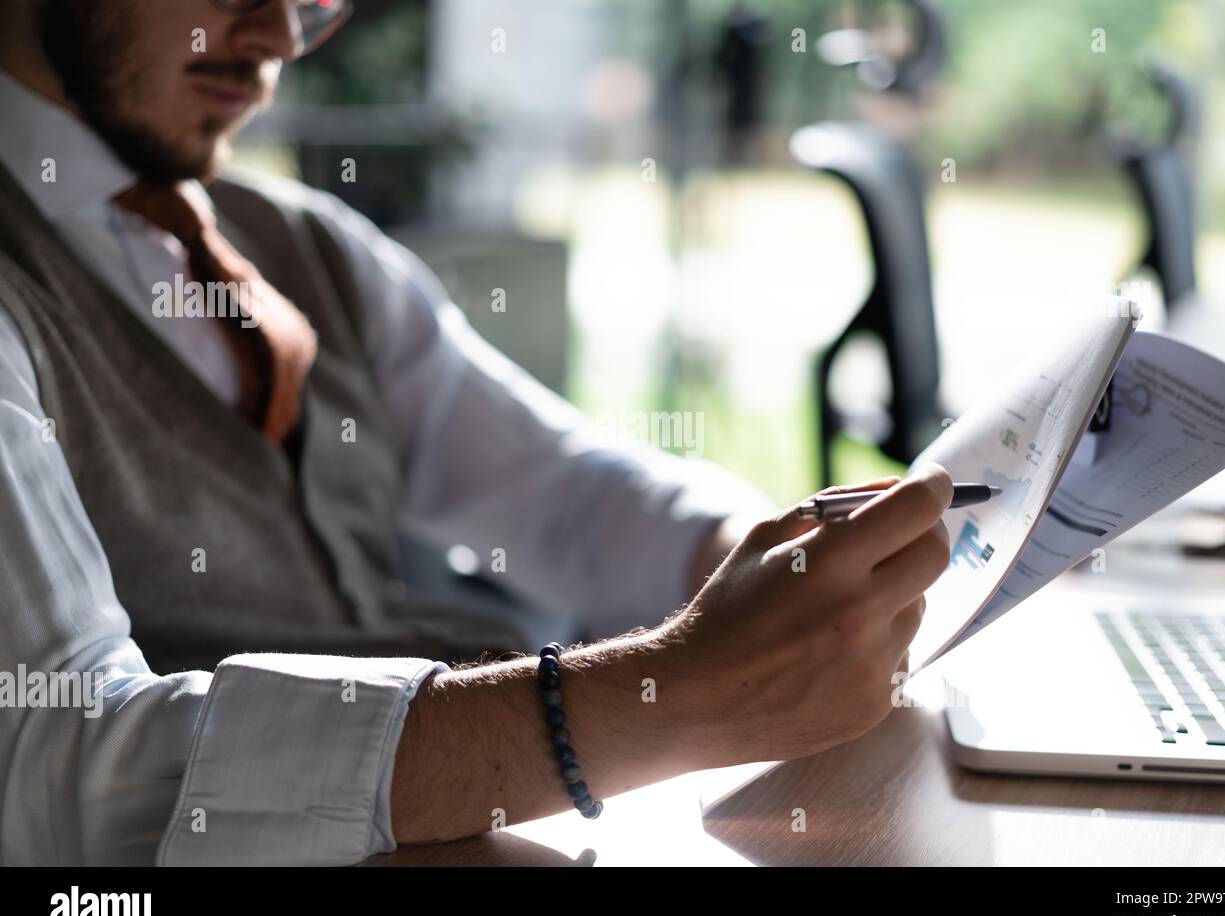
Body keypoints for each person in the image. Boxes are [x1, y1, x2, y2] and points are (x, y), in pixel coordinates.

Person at [0, 0, 953, 865]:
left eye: (315, 1)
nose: (278, 36)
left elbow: (568, 494)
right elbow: (63, 762)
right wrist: (667, 697)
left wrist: (805, 574)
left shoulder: (307, 245)